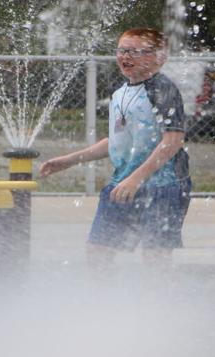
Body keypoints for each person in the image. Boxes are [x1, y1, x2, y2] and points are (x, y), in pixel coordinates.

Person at [40, 28, 191, 266]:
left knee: (155, 255)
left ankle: (157, 302)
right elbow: (118, 141)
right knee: (98, 250)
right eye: (121, 50)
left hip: (163, 185)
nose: (125, 57)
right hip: (122, 183)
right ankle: (101, 301)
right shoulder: (120, 93)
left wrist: (136, 179)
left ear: (158, 57)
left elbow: (172, 141)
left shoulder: (162, 90)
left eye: (134, 51)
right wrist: (69, 160)